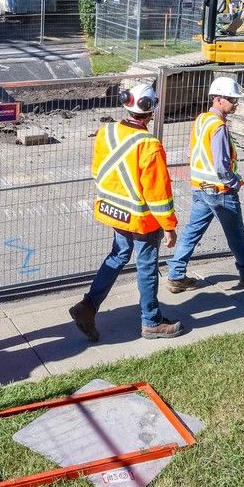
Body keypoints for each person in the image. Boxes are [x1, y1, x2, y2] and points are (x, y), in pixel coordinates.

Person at [69, 82, 181, 342]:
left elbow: (97, 170)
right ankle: (151, 322)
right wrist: (169, 226)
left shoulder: (106, 132)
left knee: (118, 256)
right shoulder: (149, 145)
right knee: (146, 267)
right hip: (141, 219)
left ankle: (88, 306)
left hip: (115, 212)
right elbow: (158, 193)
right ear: (151, 111)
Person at [166, 76, 244, 293]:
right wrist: (233, 183)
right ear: (218, 99)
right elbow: (222, 165)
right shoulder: (218, 127)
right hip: (219, 191)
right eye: (232, 99)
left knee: (191, 232)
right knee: (237, 235)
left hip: (201, 188)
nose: (236, 103)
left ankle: (176, 275)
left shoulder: (202, 119)